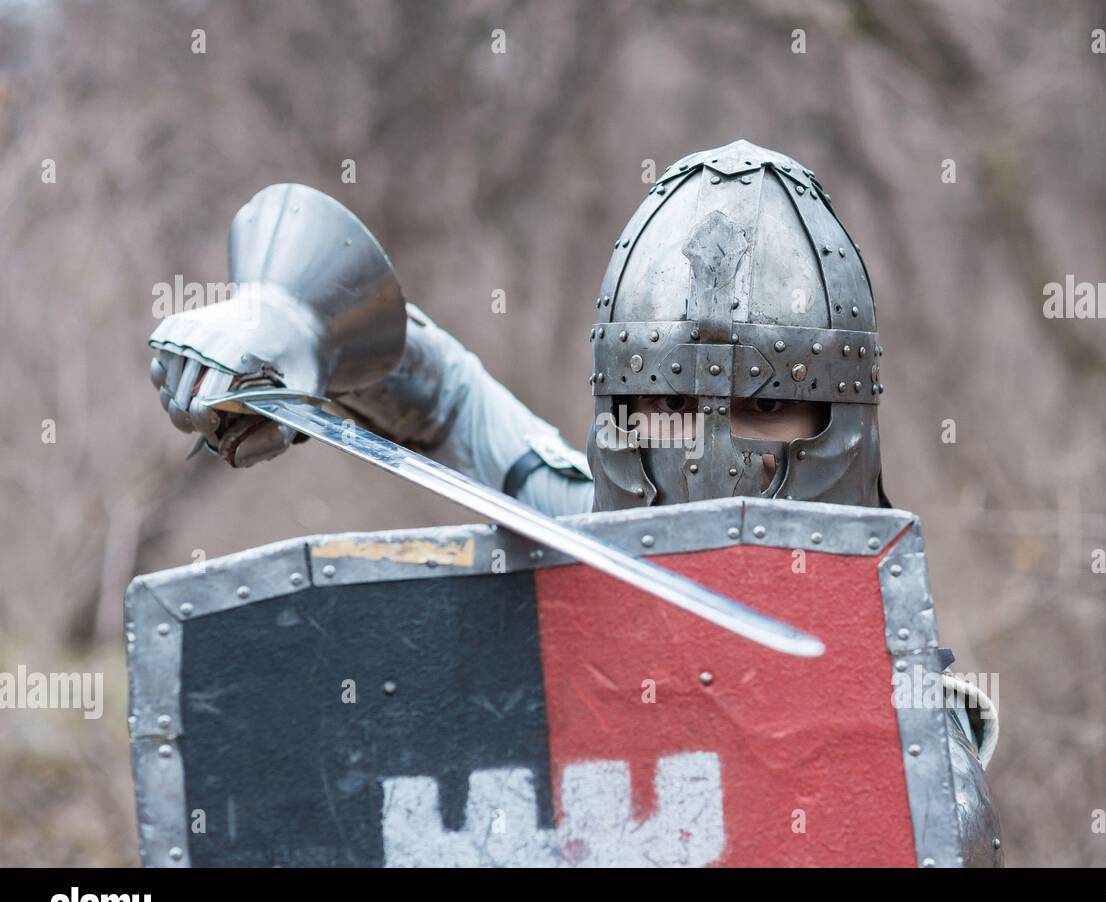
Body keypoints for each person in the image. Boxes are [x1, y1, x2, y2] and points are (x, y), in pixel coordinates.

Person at [148, 139, 1003, 864]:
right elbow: (445, 399)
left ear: (843, 419)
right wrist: (298, 332)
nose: (706, 450)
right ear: (618, 413)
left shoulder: (917, 748)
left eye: (764, 404)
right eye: (666, 406)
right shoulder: (590, 542)